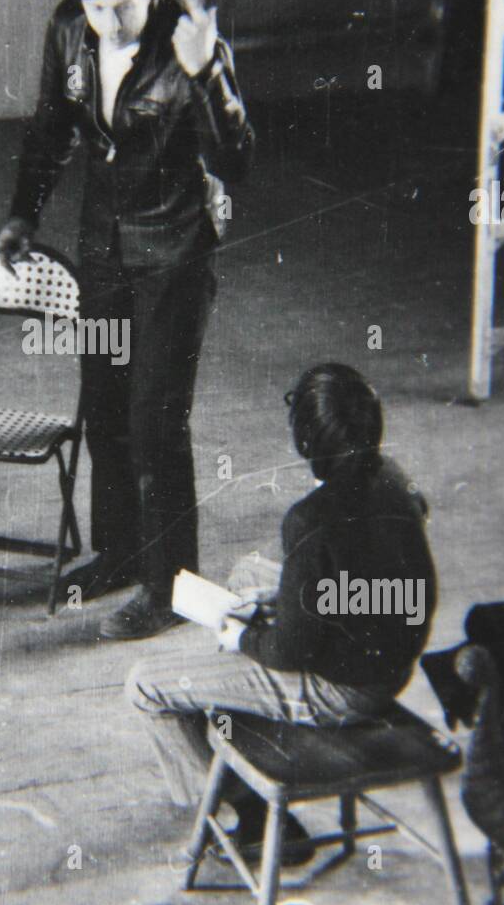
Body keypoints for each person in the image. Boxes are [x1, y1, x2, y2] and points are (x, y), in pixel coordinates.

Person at [0, 0, 254, 640]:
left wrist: (206, 75)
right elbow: (51, 126)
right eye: (93, 9)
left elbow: (236, 162)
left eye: (120, 7)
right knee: (105, 406)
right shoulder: (69, 28)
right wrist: (23, 212)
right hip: (104, 251)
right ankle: (118, 552)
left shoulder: (190, 48)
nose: (105, 24)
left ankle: (172, 586)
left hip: (174, 253)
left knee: (155, 422)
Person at [126, 363, 437, 859]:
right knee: (250, 574)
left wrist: (242, 641)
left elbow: (291, 649)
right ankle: (237, 700)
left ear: (307, 443)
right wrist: (290, 598)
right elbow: (366, 573)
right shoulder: (395, 479)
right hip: (389, 661)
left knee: (145, 685)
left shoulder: (311, 518)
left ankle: (246, 814)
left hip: (343, 690)